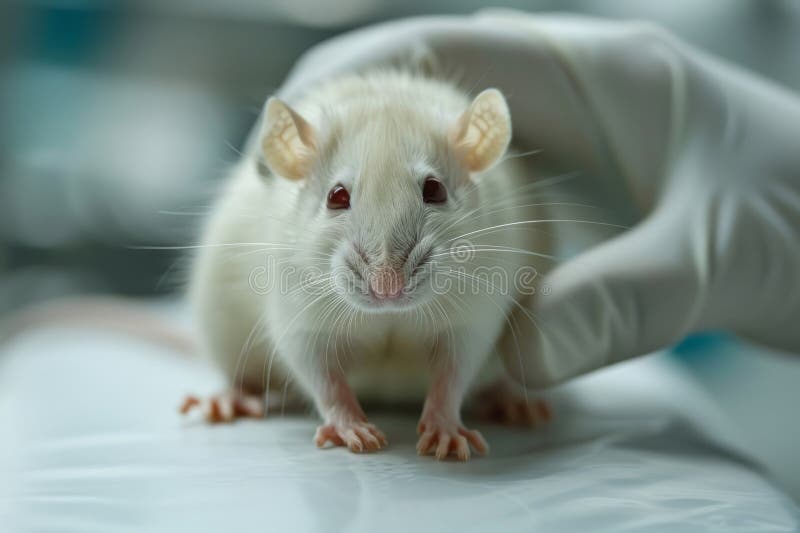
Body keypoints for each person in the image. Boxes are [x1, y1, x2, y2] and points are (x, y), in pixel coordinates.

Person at [278, 10, 800, 387]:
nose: (386, 280)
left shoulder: (499, 216)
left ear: (480, 147)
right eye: (341, 197)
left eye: (433, 191)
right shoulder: (289, 242)